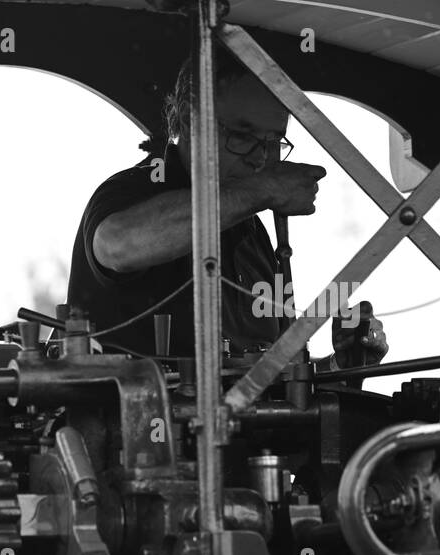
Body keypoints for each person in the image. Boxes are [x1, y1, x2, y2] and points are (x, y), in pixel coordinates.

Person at [69, 49, 388, 370]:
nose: (260, 157)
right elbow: (117, 245)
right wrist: (263, 189)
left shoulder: (254, 233)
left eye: (274, 140)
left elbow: (269, 374)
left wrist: (340, 365)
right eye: (241, 135)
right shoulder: (131, 191)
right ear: (187, 119)